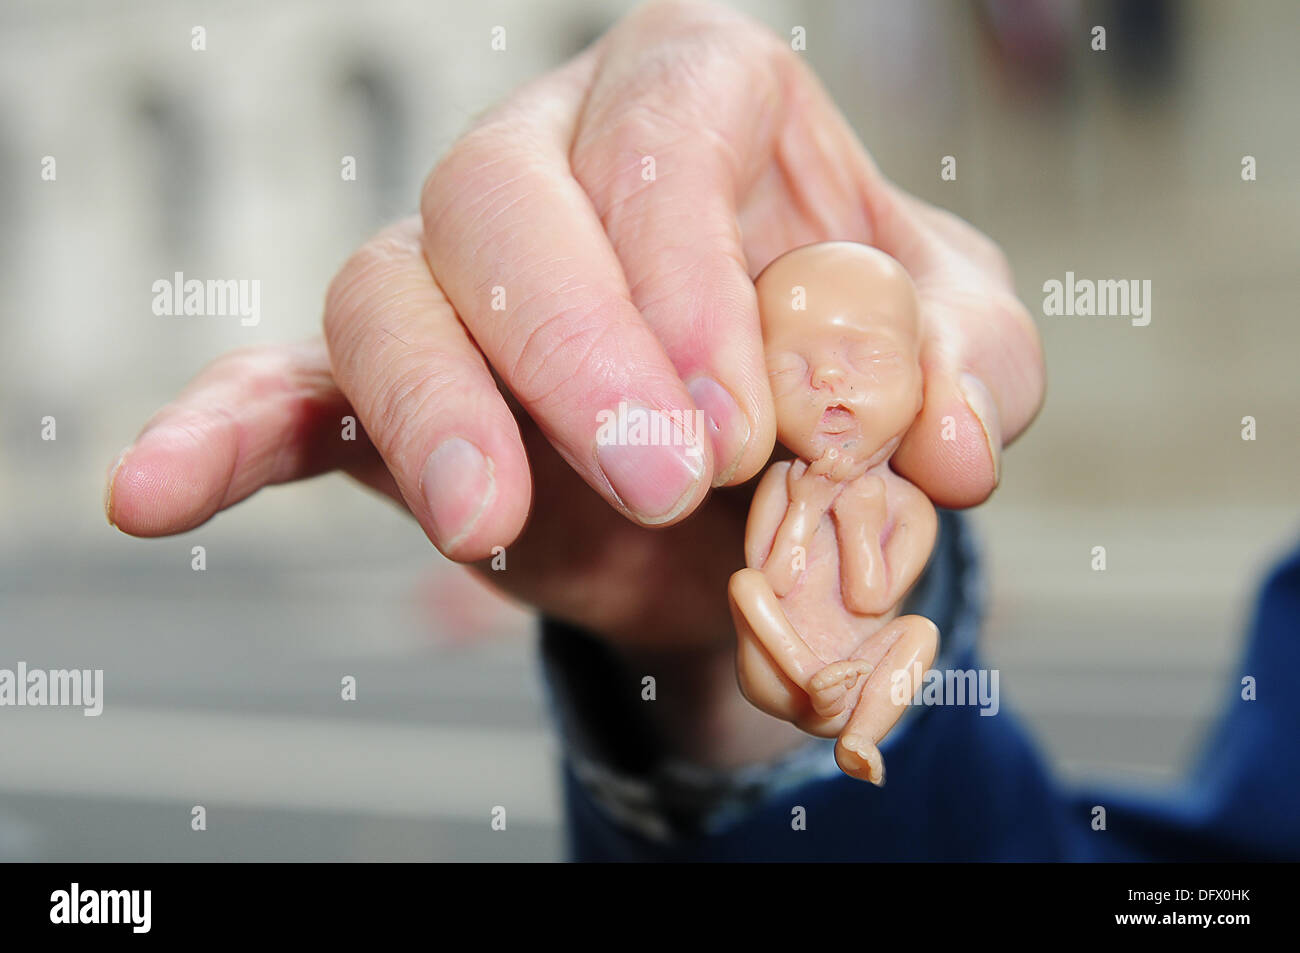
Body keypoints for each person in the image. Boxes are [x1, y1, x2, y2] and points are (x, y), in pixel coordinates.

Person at [102, 1, 1296, 861]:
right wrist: (716, 668)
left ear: (916, 373)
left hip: (845, 648)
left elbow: (875, 579)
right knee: (812, 633)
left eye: (862, 363)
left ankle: (853, 707)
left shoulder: (875, 500)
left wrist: (852, 572)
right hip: (785, 633)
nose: (830, 388)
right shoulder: (786, 481)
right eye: (799, 365)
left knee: (905, 654)